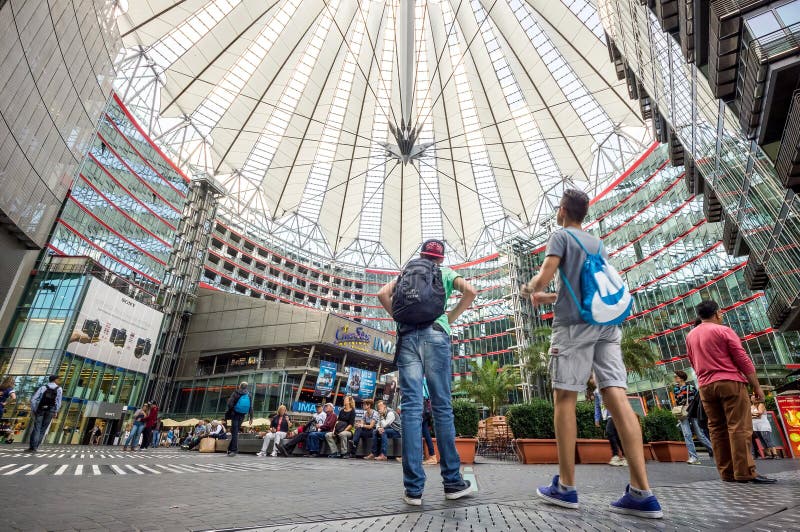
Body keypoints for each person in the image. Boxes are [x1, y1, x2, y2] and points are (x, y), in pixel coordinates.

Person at [521, 189, 662, 518]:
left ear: (562, 210)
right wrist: (546, 299)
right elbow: (584, 288)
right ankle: (642, 492)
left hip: (573, 328)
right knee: (617, 397)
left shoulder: (560, 236)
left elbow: (545, 275)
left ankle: (566, 487)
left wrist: (529, 289)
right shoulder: (597, 243)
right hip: (606, 325)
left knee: (565, 399)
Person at [376, 239, 476, 506]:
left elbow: (382, 295)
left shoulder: (407, 272)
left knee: (410, 410)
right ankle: (453, 483)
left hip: (407, 336)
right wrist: (449, 318)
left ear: (421, 256)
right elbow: (471, 292)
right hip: (437, 335)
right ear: (440, 259)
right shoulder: (444, 272)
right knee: (442, 407)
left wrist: (400, 317)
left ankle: (413, 490)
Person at [685, 300, 776, 484]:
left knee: (717, 430)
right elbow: (742, 358)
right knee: (739, 427)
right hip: (729, 382)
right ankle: (745, 472)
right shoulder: (723, 330)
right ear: (717, 313)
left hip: (705, 386)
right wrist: (756, 385)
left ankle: (727, 473)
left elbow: (692, 361)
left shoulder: (691, 336)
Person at [673, 370, 713, 465]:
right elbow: (677, 401)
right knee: (687, 435)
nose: (675, 378)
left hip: (692, 413)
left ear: (681, 378)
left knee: (700, 435)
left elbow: (697, 400)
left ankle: (716, 450)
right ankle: (693, 457)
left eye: (676, 376)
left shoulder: (690, 387)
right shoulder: (676, 389)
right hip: (682, 414)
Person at [27, 375, 63, 453]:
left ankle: (32, 447)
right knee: (43, 429)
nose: (59, 380)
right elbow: (58, 402)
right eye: (58, 379)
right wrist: (56, 411)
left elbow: (33, 399)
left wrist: (34, 409)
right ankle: (35, 447)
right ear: (55, 380)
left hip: (41, 409)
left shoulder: (43, 387)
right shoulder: (59, 389)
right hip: (51, 410)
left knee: (37, 428)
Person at [594, 385, 625, 466]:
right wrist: (597, 418)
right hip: (607, 415)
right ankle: (626, 456)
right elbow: (597, 406)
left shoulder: (609, 385)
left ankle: (615, 456)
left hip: (615, 412)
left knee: (609, 431)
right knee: (617, 436)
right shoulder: (596, 392)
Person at [225, 381, 253, 456]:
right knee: (235, 431)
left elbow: (229, 404)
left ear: (239, 386)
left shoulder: (236, 393)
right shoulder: (249, 394)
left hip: (235, 414)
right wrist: (251, 418)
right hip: (242, 415)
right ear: (246, 387)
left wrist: (233, 409)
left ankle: (234, 450)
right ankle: (230, 449)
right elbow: (250, 407)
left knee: (234, 432)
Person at [750, 394, 779, 460]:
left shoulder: (761, 405)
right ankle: (769, 454)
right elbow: (748, 415)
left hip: (763, 426)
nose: (753, 399)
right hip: (755, 427)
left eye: (754, 398)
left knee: (767, 439)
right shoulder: (751, 407)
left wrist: (752, 415)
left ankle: (775, 454)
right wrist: (755, 415)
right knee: (762, 440)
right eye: (752, 398)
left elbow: (760, 413)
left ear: (757, 398)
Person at [422, 398, 437, 465]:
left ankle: (414, 456)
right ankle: (433, 456)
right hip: (426, 412)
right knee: (426, 433)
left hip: (422, 411)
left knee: (416, 432)